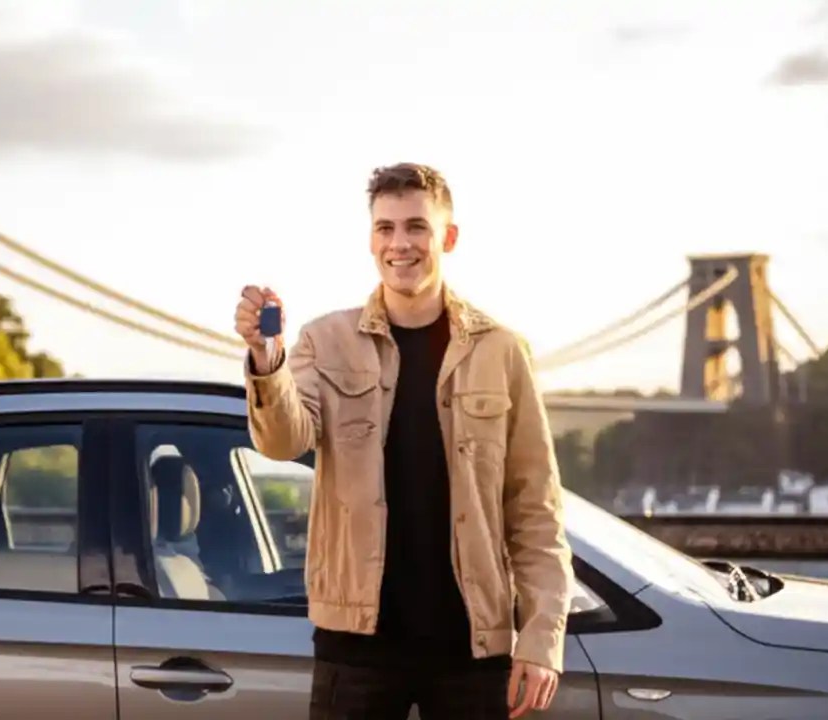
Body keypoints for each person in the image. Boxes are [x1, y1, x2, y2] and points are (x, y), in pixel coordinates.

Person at [233, 162, 573, 719]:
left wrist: (541, 638)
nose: (400, 244)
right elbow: (281, 441)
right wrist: (268, 359)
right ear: (371, 239)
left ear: (448, 237)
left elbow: (534, 506)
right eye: (385, 228)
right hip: (357, 644)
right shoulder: (324, 340)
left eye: (416, 226)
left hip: (472, 646)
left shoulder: (502, 351)